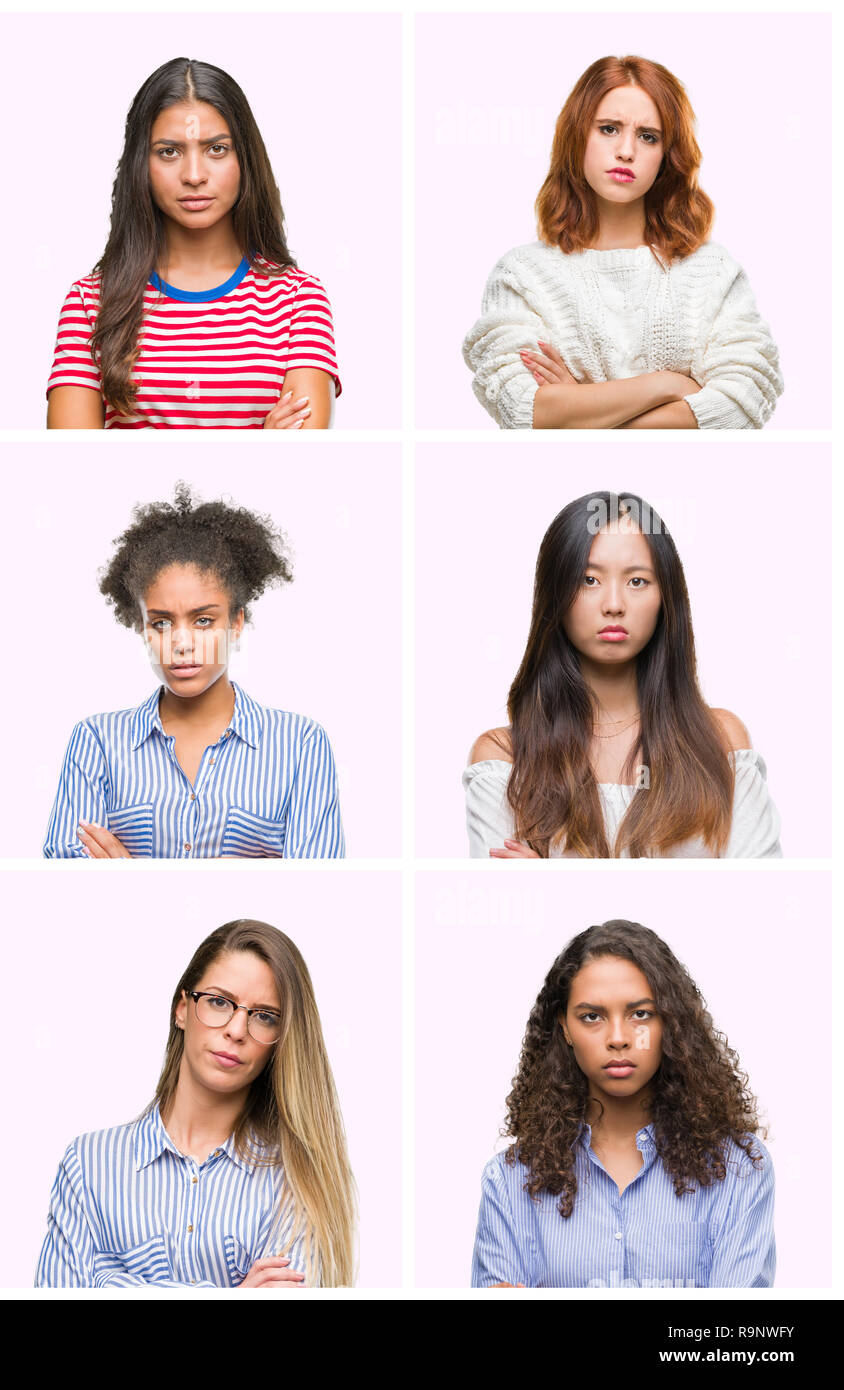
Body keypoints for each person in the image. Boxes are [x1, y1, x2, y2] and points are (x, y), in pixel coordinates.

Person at [462, 55, 781, 430]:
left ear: (667, 155)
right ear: (578, 135)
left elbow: (741, 406)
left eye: (648, 136)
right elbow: (522, 409)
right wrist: (669, 385)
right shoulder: (522, 276)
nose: (627, 151)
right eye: (609, 129)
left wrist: (579, 409)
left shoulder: (711, 272)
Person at [35, 920, 357, 1287]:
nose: (237, 1029)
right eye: (219, 1002)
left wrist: (110, 1282)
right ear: (182, 1009)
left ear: (281, 1040)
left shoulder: (297, 1179)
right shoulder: (89, 1165)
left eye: (264, 1016)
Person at [464, 491, 780, 858]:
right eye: (589, 580)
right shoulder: (506, 758)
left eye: (637, 582)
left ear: (666, 597)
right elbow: (513, 895)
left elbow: (754, 892)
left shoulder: (720, 740)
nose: (614, 605)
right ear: (555, 593)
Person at [43, 483, 343, 857]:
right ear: (141, 627)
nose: (181, 644)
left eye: (203, 620)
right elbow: (67, 873)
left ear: (235, 623)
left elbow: (312, 883)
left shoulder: (300, 745)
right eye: (161, 623)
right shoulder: (97, 742)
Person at [471, 921, 774, 1288]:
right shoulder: (509, 1181)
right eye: (592, 1017)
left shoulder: (739, 1168)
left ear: (670, 1022)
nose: (618, 1038)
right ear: (565, 1028)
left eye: (640, 1014)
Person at [47, 57, 339, 429]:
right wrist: (258, 446)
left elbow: (300, 472)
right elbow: (71, 473)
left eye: (216, 149)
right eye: (169, 151)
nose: (195, 175)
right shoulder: (91, 303)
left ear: (244, 158)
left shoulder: (299, 299)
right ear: (141, 164)